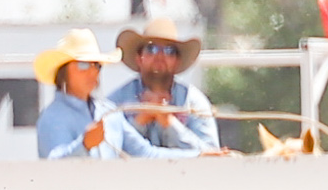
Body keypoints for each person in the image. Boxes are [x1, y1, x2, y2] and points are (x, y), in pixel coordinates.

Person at [34, 28, 197, 159]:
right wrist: (84, 145)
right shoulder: (52, 117)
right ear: (64, 72)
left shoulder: (109, 112)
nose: (92, 72)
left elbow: (145, 153)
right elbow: (52, 166)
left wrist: (198, 155)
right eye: (83, 65)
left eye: (96, 65)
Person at [110, 17, 221, 151]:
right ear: (139, 58)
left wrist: (169, 122)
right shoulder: (116, 102)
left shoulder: (195, 103)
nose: (160, 56)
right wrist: (141, 120)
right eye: (151, 48)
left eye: (169, 51)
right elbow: (106, 150)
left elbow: (212, 154)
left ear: (177, 61)